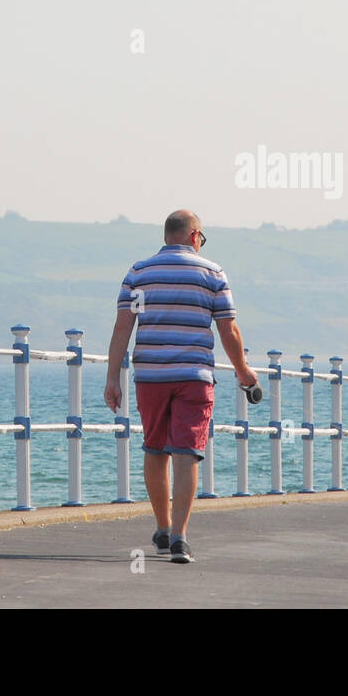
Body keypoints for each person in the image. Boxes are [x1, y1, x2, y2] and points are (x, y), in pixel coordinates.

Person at [104, 210, 260, 564]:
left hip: (151, 377)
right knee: (187, 453)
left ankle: (161, 529)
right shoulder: (212, 273)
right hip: (194, 376)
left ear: (166, 236)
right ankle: (179, 538)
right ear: (195, 236)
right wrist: (243, 372)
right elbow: (228, 330)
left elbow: (121, 330)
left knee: (156, 450)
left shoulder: (139, 273)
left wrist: (112, 379)